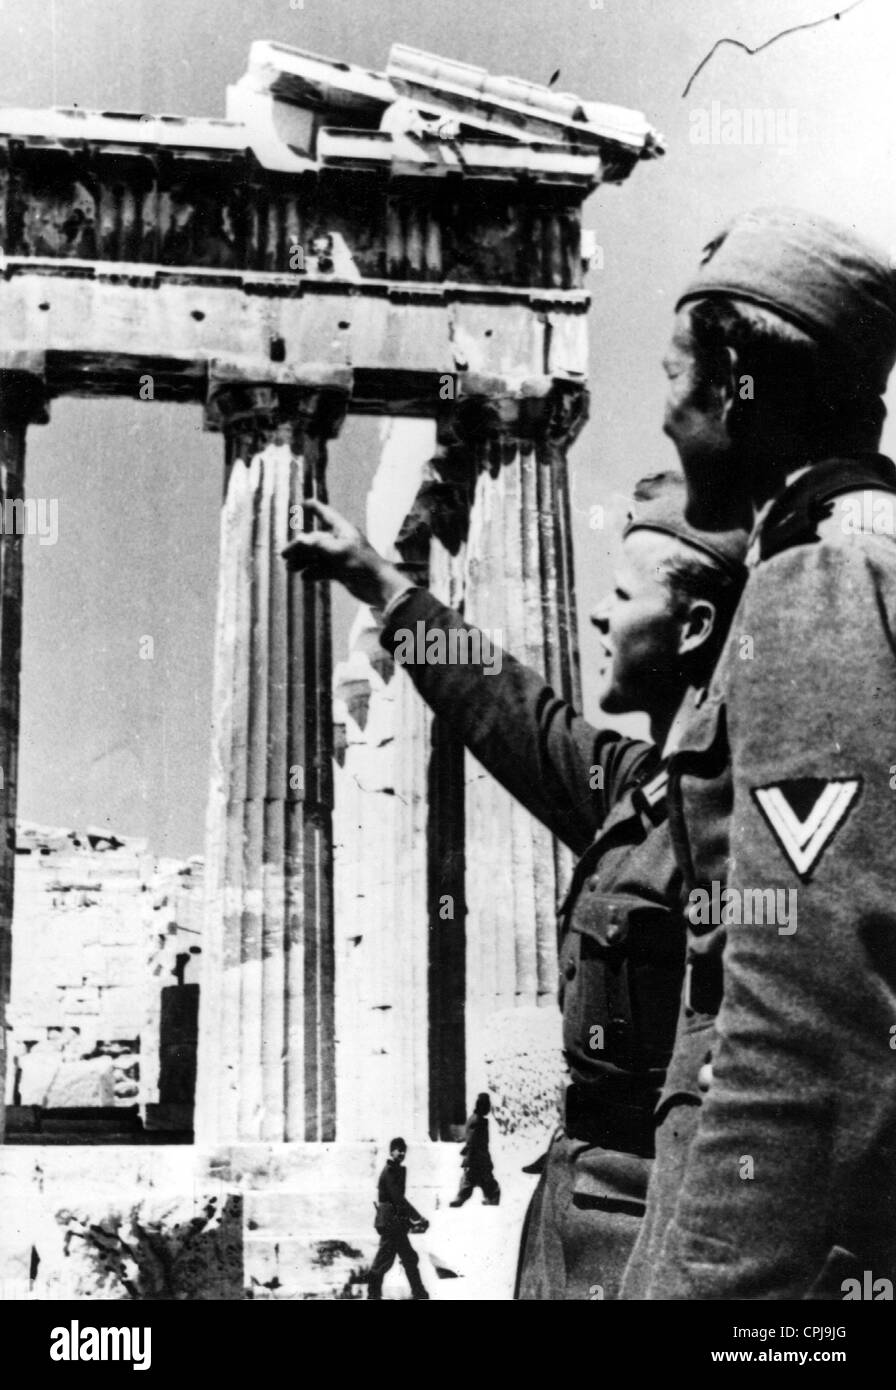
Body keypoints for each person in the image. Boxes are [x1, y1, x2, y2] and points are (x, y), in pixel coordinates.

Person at [282, 471, 747, 1299]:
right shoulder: (633, 788)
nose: (597, 615)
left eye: (619, 595)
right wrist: (388, 593)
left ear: (694, 627)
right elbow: (505, 705)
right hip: (563, 1232)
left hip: (655, 1246)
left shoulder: (735, 824)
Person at [622, 207, 896, 1300]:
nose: (659, 413)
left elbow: (809, 1012)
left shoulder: (817, 579)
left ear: (733, 374)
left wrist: (717, 1292)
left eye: (666, 372)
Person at [368, 1137, 430, 1301]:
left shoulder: (395, 1170)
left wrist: (410, 1220)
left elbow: (399, 1200)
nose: (401, 1153)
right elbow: (398, 1199)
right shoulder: (389, 1171)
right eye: (398, 1150)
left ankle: (419, 1293)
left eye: (404, 1150)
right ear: (391, 1151)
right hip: (390, 1222)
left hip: (396, 1223)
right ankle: (373, 1295)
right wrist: (417, 1217)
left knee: (409, 1258)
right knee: (384, 1260)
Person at [450, 1092, 501, 1207]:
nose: (488, 1109)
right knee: (472, 1177)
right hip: (476, 1154)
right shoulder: (477, 1121)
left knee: (481, 1177)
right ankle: (462, 1198)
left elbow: (471, 1136)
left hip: (479, 1154)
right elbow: (472, 1138)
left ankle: (491, 1197)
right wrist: (467, 1149)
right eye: (487, 1106)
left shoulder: (476, 1119)